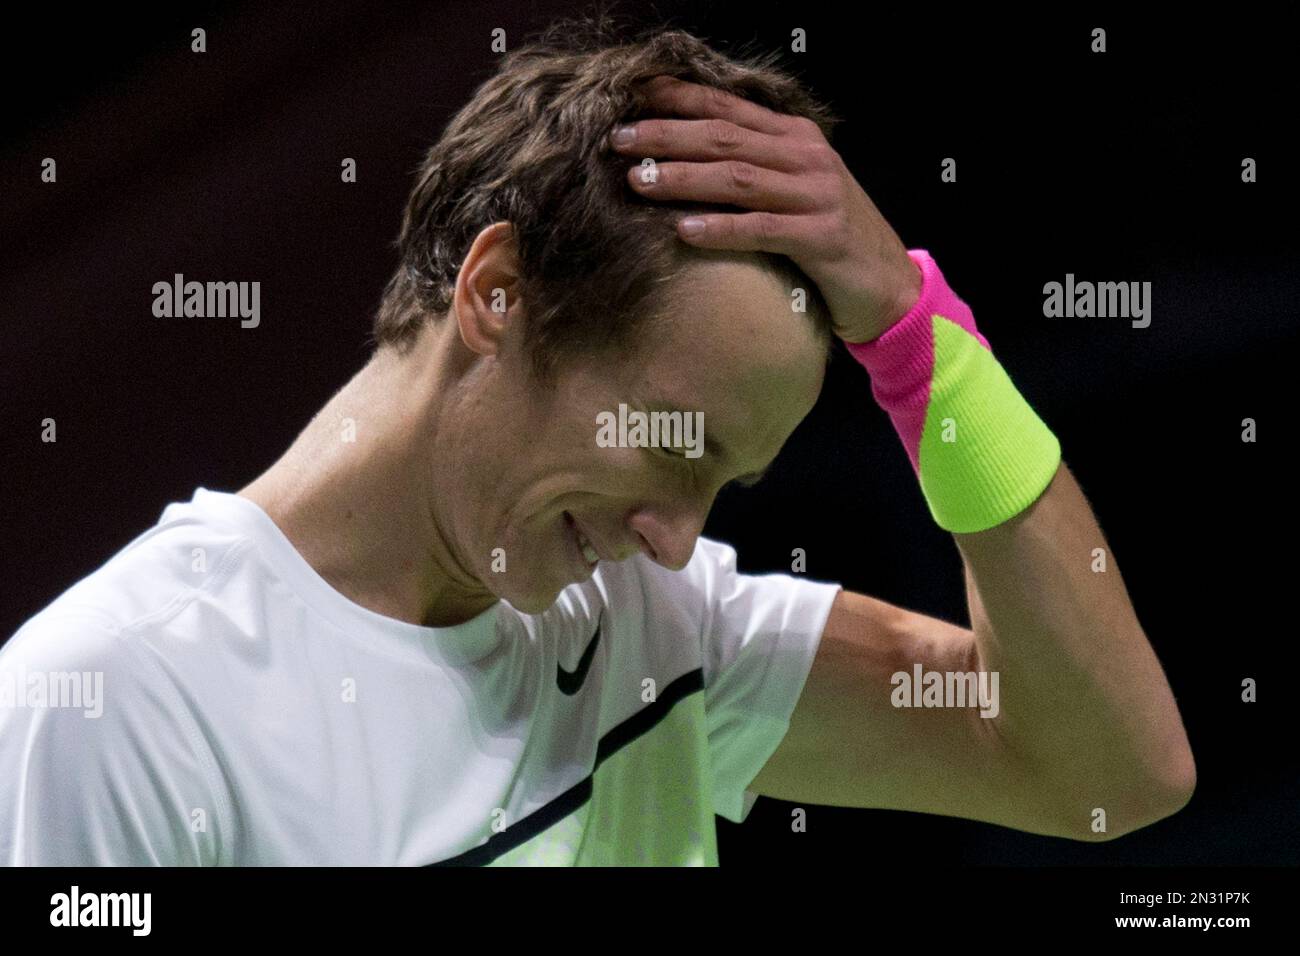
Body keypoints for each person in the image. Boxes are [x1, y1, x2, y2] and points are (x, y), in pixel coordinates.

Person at [0, 19, 1195, 866]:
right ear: (499, 292)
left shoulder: (657, 631)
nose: (675, 544)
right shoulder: (119, 700)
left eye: (725, 483)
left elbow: (1108, 771)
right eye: (675, 447)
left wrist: (920, 340)